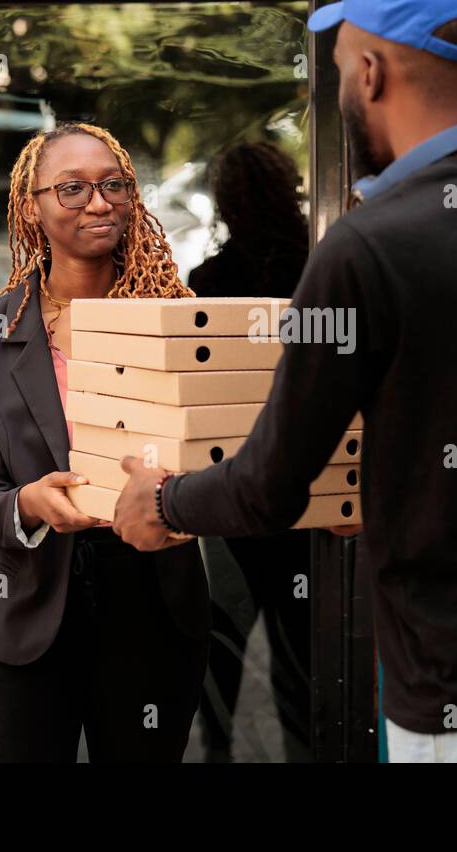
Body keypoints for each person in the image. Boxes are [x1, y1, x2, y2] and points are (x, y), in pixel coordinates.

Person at [111, 0, 457, 762]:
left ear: (373, 74)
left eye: (343, 60)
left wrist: (162, 504)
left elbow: (266, 489)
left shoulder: (369, 247)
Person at [0, 121, 210, 762]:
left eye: (112, 185)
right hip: (23, 619)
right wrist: (32, 504)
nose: (98, 203)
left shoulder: (178, 321)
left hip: (152, 610)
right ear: (31, 207)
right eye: (71, 189)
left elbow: (220, 454)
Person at [188, 142, 313, 761]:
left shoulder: (207, 284)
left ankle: (216, 752)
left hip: (229, 489)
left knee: (224, 642)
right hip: (309, 493)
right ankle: (307, 750)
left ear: (227, 205)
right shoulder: (320, 267)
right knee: (304, 653)